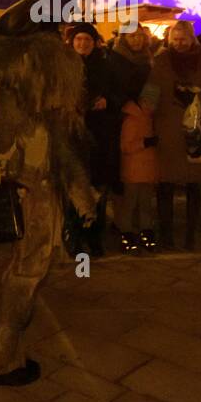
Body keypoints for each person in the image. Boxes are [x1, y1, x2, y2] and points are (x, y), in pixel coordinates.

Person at [0, 0, 97, 388]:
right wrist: (81, 191)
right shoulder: (53, 62)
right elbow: (62, 137)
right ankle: (2, 358)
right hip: (32, 184)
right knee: (25, 270)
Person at [150, 19, 201, 250]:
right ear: (169, 40)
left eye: (183, 39)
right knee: (165, 184)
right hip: (167, 130)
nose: (179, 44)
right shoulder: (160, 61)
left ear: (191, 39)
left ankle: (190, 235)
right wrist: (148, 107)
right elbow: (150, 94)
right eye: (175, 39)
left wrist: (196, 95)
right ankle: (166, 236)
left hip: (194, 132)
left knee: (194, 185)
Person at [67, 22, 121, 257]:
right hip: (72, 134)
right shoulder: (65, 66)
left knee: (98, 187)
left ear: (94, 42)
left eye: (86, 40)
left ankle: (95, 235)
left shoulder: (106, 65)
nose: (82, 44)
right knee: (74, 187)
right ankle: (75, 236)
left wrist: (107, 101)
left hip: (100, 134)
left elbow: (119, 93)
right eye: (78, 39)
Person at [110, 27, 158, 251]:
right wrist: (126, 106)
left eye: (140, 35)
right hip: (124, 116)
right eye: (132, 35)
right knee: (127, 191)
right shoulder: (115, 59)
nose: (137, 39)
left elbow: (153, 88)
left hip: (144, 115)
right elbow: (113, 91)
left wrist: (149, 105)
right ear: (124, 38)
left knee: (144, 195)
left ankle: (143, 228)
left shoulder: (149, 60)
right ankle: (124, 228)